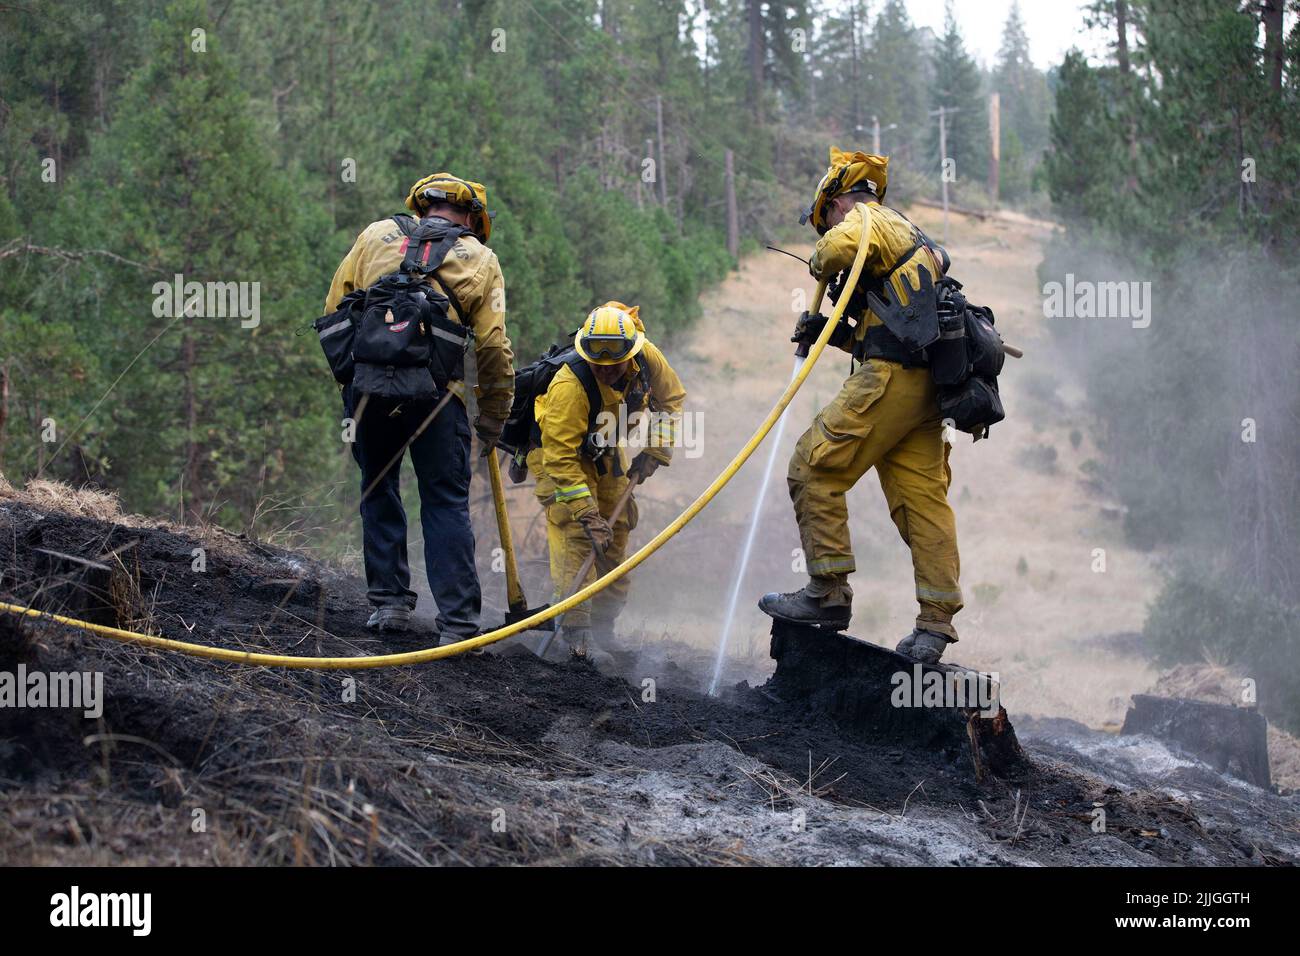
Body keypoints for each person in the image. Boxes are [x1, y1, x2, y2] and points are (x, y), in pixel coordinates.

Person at [758, 147, 963, 664]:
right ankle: (935, 624)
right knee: (922, 505)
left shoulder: (868, 220)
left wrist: (818, 253)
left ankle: (827, 593)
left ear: (835, 202)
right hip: (921, 391)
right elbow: (891, 332)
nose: (823, 227)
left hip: (890, 383)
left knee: (813, 466)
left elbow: (830, 254)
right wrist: (832, 336)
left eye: (823, 218)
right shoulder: (907, 238)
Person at [323, 173, 514, 640]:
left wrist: (352, 388)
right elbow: (492, 347)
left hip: (367, 391)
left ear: (419, 206)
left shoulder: (374, 235)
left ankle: (389, 604)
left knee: (378, 487)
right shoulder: (481, 259)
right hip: (437, 399)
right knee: (444, 502)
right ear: (473, 218)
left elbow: (334, 308)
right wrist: (492, 417)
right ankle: (458, 623)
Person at [528, 303, 686, 657]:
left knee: (616, 533)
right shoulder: (570, 385)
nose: (605, 370)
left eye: (613, 363)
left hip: (604, 449)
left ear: (630, 353)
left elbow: (671, 401)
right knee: (577, 534)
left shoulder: (646, 358)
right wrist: (586, 512)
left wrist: (654, 451)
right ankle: (576, 635)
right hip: (560, 457)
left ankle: (603, 627)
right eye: (596, 362)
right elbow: (561, 458)